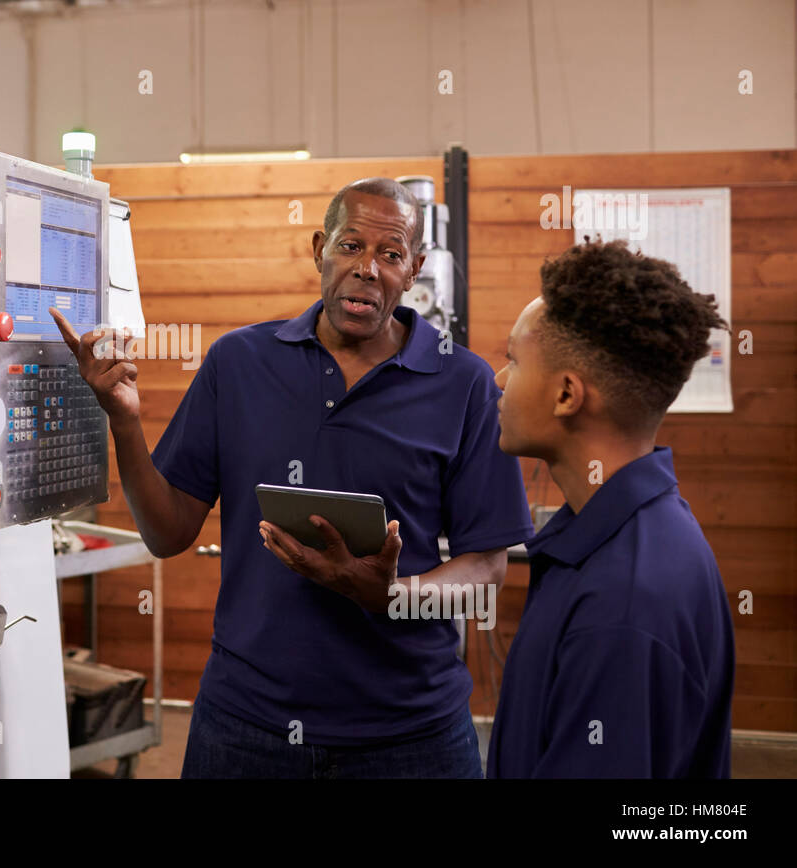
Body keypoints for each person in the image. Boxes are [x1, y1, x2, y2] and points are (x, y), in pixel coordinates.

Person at [51, 177, 534, 778]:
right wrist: (123, 423)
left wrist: (390, 597)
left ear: (414, 269)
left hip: (411, 736)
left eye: (389, 254)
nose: (366, 268)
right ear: (318, 250)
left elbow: (486, 570)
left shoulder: (463, 383)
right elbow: (167, 534)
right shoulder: (240, 362)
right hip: (245, 727)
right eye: (350, 245)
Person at [487, 239, 735, 777]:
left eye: (513, 361)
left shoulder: (622, 605)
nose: (499, 384)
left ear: (567, 395)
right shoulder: (638, 535)